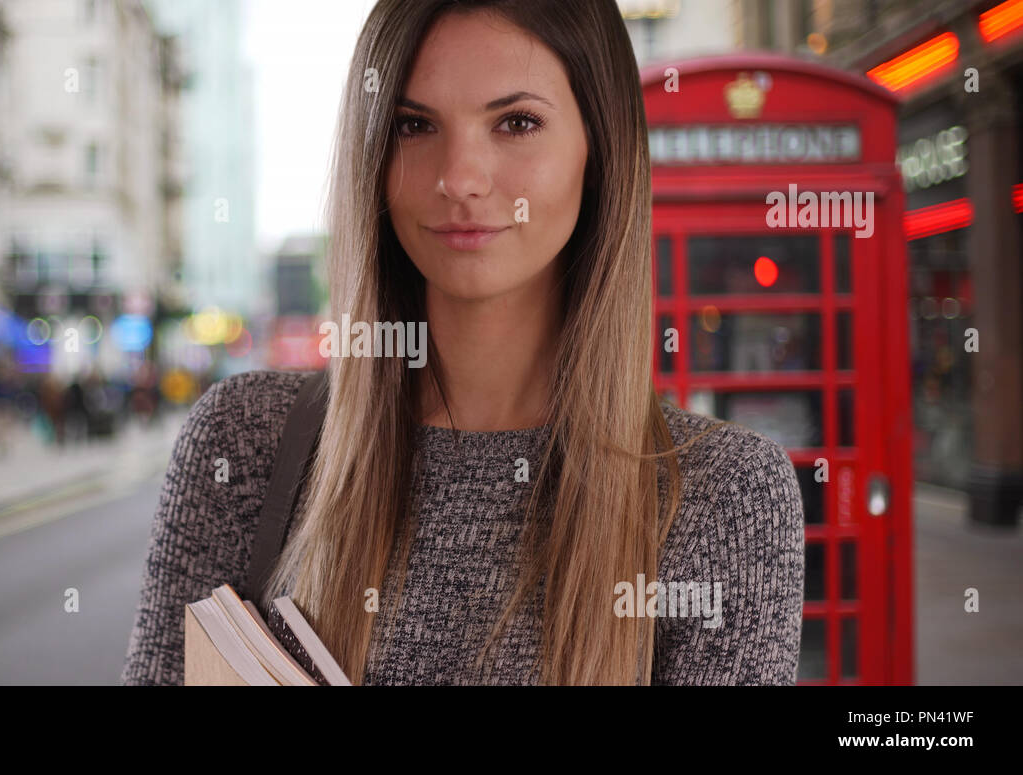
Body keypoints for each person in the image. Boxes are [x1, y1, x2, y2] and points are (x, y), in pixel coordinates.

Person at [122, 0, 804, 687]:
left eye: (516, 122)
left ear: (599, 151)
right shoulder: (244, 444)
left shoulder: (724, 498)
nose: (460, 178)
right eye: (415, 125)